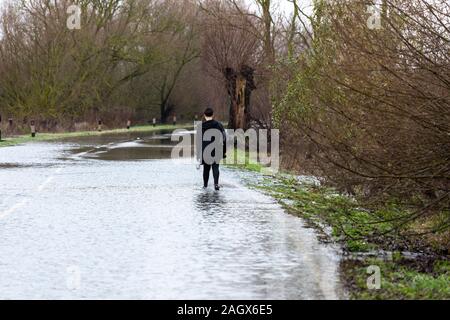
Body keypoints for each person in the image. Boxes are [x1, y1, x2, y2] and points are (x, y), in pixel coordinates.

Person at [200, 108, 226, 191]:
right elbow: (224, 138)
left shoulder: (201, 126)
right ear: (213, 114)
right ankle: (216, 184)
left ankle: (205, 185)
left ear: (204, 115)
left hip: (205, 150)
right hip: (217, 149)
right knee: (216, 167)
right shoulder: (219, 125)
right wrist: (224, 151)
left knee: (206, 169)